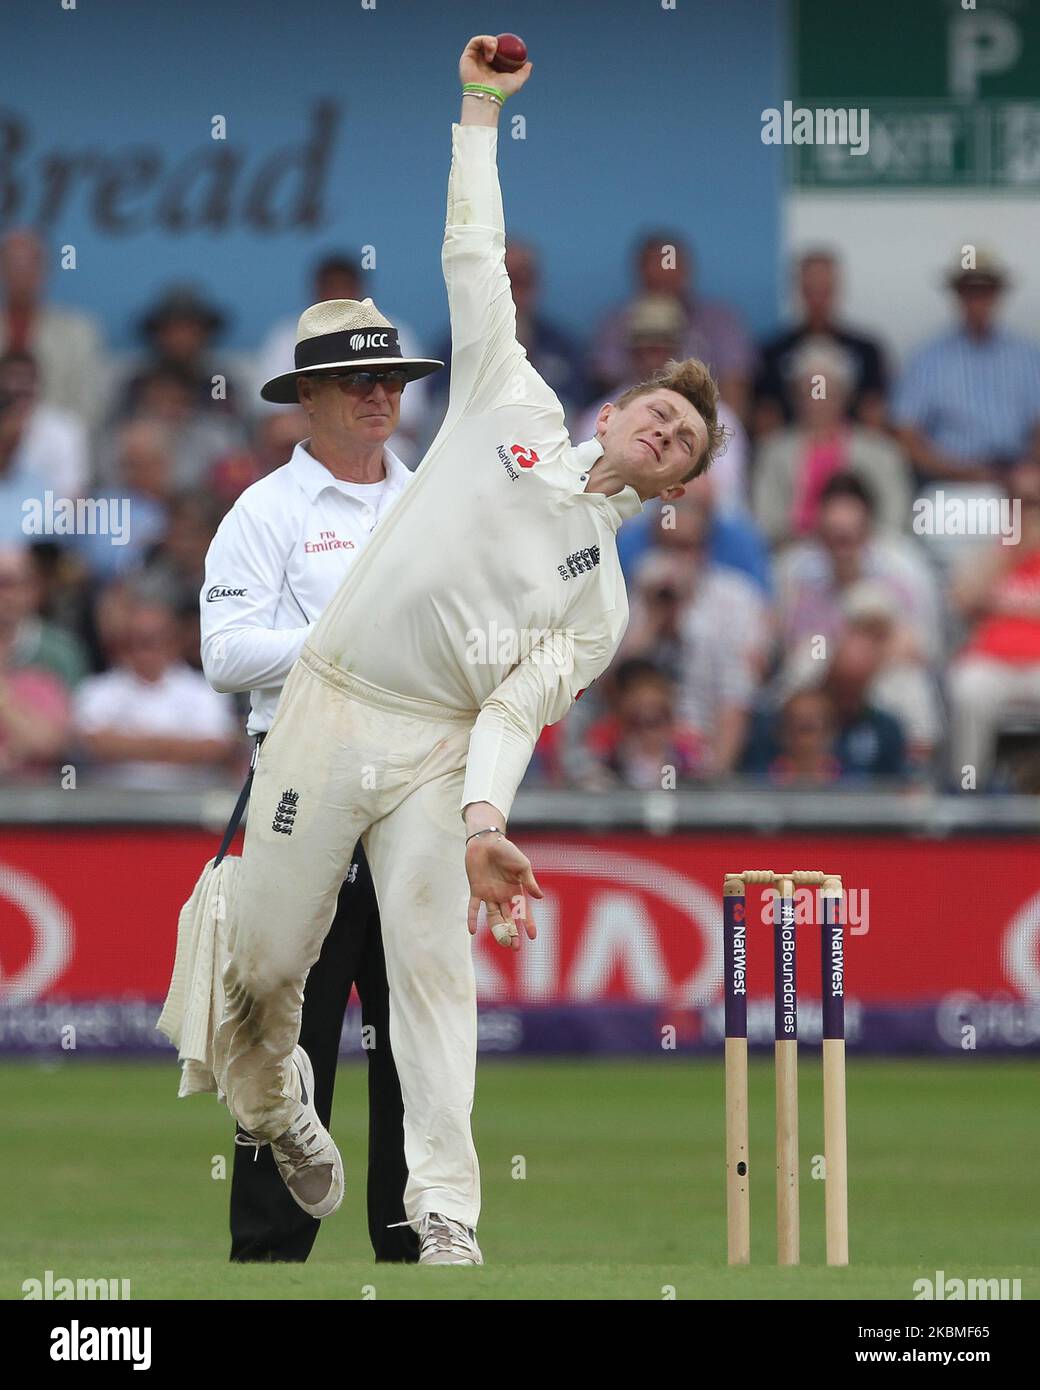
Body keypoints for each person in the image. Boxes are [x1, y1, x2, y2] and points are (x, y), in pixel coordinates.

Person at [208, 36, 727, 1267]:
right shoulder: (508, 395)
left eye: (683, 441)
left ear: (673, 485)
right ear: (612, 408)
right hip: (327, 711)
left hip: (437, 753)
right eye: (656, 406)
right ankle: (283, 1118)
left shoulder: (598, 599)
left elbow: (514, 706)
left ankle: (445, 1218)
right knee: (258, 973)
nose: (660, 429)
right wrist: (477, 114)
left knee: (435, 983)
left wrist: (485, 817)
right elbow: (470, 255)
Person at [199, 293, 437, 1266]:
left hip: (416, 789)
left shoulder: (428, 501)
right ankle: (266, 1261)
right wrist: (343, 646)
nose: (379, 395)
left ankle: (418, 1246)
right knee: (280, 1029)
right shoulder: (266, 510)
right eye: (357, 379)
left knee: (417, 1041)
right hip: (305, 788)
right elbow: (224, 653)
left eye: (390, 377)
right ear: (306, 395)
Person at [892, 250, 1040, 486]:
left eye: (985, 292)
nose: (978, 301)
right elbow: (905, 434)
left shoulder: (1027, 356)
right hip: (950, 480)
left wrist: (1031, 466)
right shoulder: (927, 359)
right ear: (958, 295)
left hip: (1018, 477)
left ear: (997, 295)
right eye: (971, 292)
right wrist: (956, 471)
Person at [588, 230, 753, 414]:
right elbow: (608, 383)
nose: (662, 274)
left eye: (669, 264)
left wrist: (723, 427)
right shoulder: (617, 323)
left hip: (706, 416)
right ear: (639, 271)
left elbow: (735, 383)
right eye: (654, 265)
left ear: (686, 270)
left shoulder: (719, 321)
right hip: (634, 415)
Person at [754, 249, 888, 436]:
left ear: (837, 290)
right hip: (792, 449)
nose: (817, 300)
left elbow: (874, 417)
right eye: (811, 291)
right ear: (798, 290)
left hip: (852, 448)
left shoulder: (866, 350)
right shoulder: (772, 352)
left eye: (824, 291)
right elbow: (765, 419)